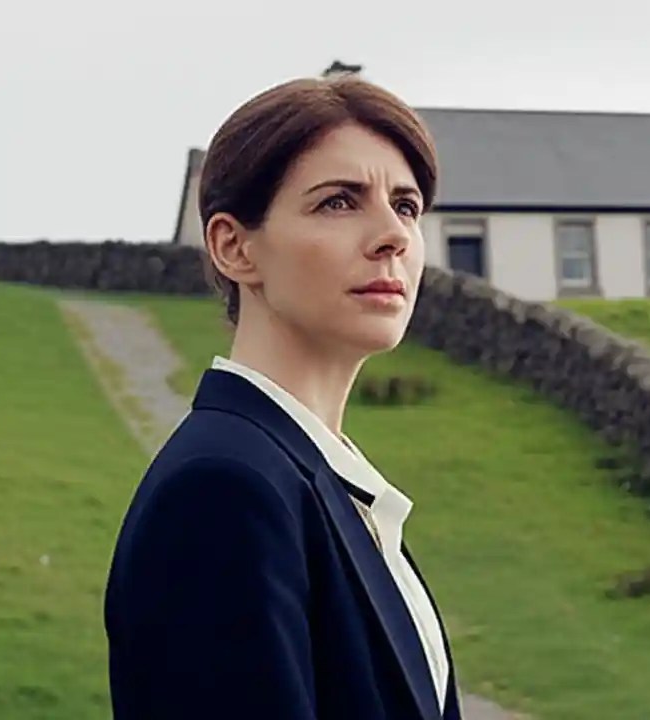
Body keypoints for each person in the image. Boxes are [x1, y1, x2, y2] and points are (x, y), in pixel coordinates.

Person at [103, 72, 462, 719]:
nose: (393, 236)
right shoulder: (223, 489)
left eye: (406, 206)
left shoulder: (320, 481)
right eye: (338, 202)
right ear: (234, 247)